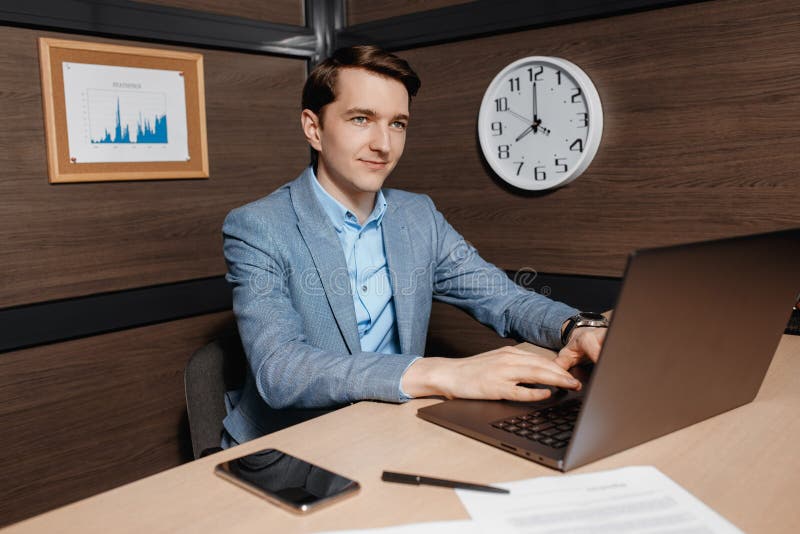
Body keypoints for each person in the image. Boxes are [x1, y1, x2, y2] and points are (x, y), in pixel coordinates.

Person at [220, 45, 607, 448]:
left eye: (398, 124)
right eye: (361, 119)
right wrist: (440, 374)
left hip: (393, 429)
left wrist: (575, 327)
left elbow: (504, 299)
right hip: (292, 446)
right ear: (313, 128)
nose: (384, 144)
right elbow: (280, 370)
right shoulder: (259, 226)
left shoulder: (418, 215)